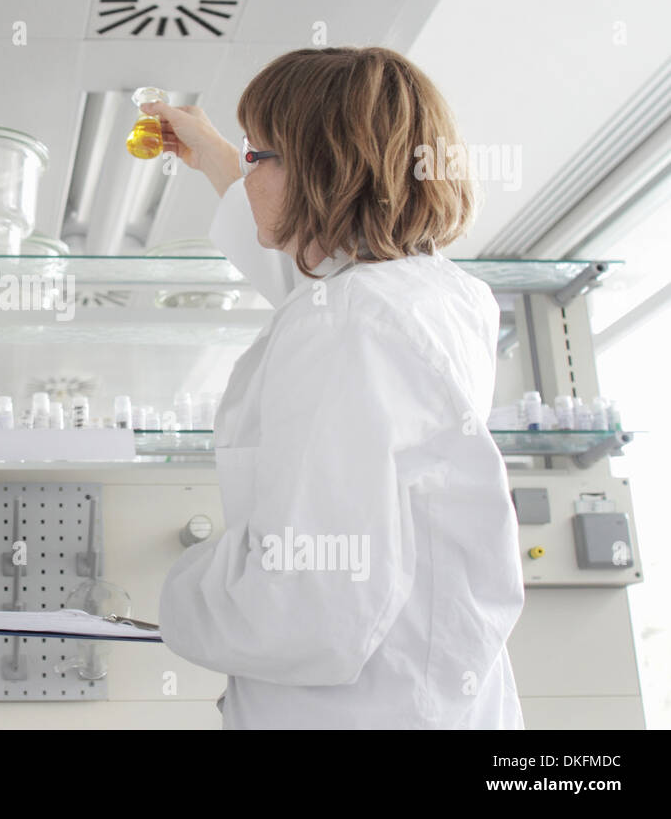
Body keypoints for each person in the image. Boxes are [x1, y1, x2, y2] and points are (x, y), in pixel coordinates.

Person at [151, 47, 525, 729]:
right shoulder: (429, 296)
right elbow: (318, 281)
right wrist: (214, 154)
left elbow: (307, 604)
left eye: (256, 155)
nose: (246, 172)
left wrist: (177, 594)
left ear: (321, 170)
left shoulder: (350, 324)